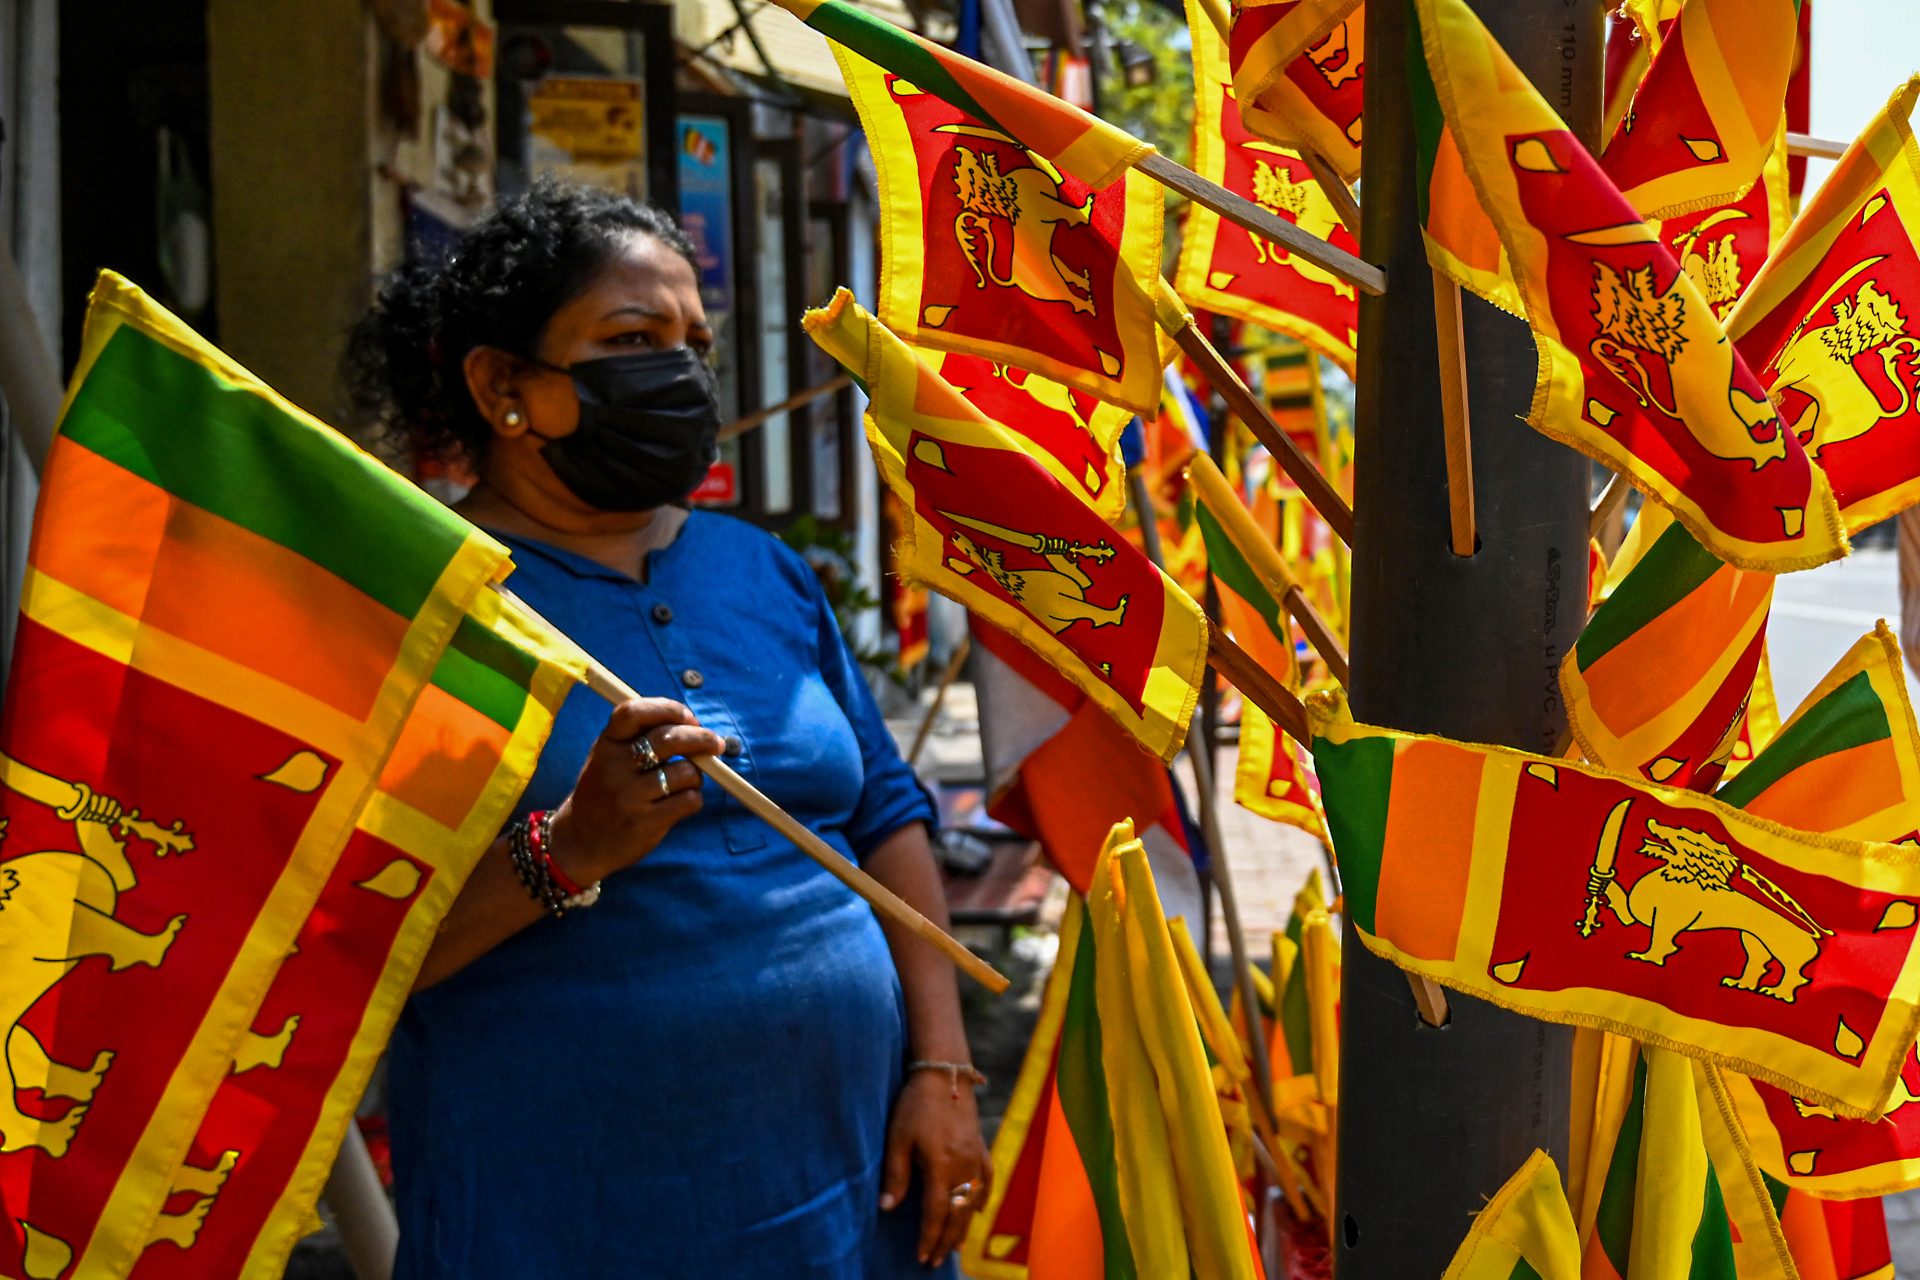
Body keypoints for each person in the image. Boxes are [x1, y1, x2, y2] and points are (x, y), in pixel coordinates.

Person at [347, 182, 990, 1278]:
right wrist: (566, 849)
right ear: (505, 385)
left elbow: (885, 814)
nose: (683, 372)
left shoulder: (766, 570)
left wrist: (942, 1066)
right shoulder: (418, 608)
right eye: (633, 339)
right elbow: (342, 952)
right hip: (570, 1209)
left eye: (696, 341)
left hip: (848, 1184)